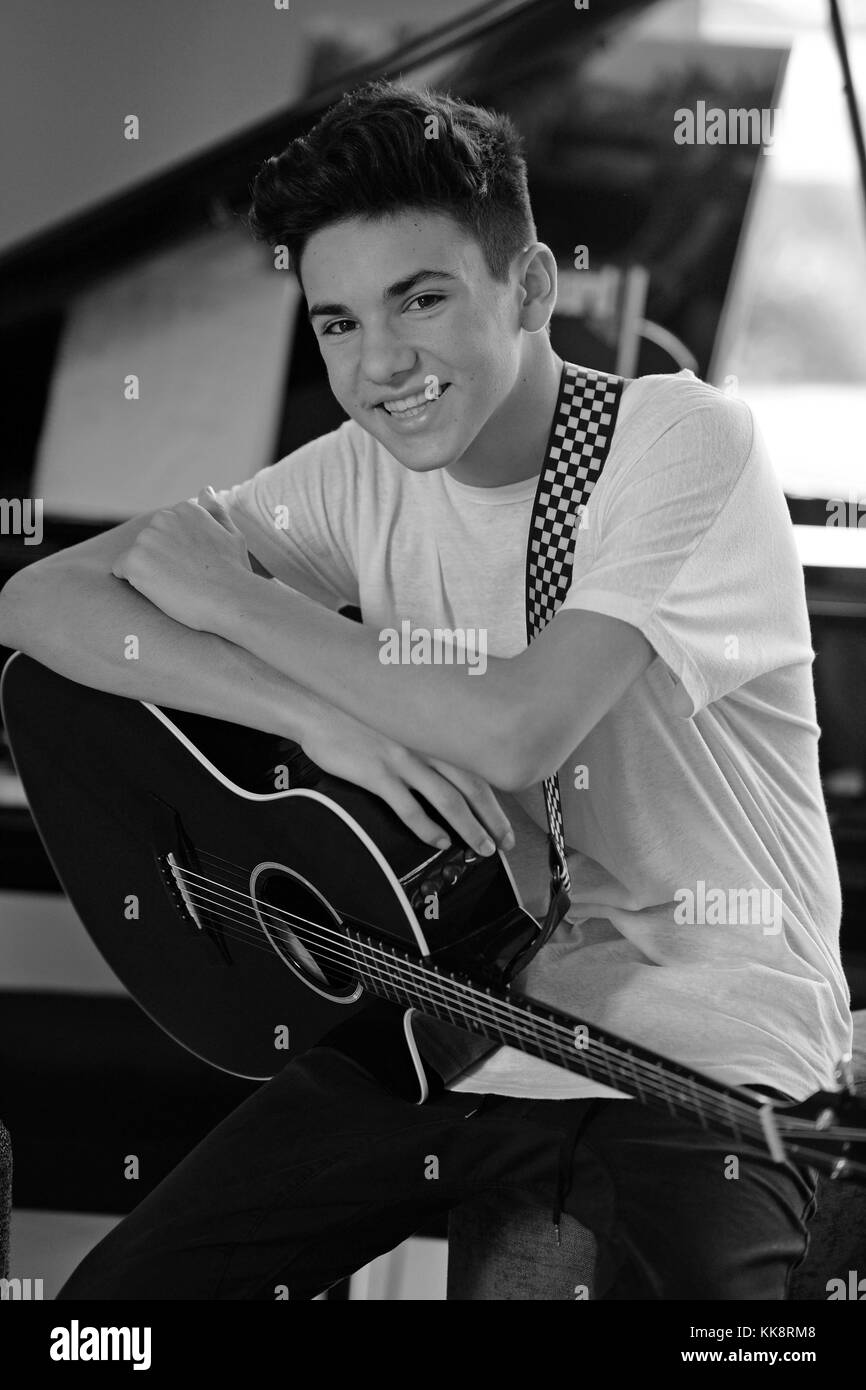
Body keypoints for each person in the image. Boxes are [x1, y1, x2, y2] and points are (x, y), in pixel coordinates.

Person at [0, 80, 851, 1300]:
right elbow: (37, 605)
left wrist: (240, 601)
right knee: (105, 1321)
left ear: (531, 289)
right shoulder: (356, 474)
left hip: (701, 1039)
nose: (379, 362)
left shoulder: (681, 441)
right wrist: (310, 719)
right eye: (336, 323)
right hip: (450, 1018)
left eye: (420, 299)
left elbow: (514, 727)